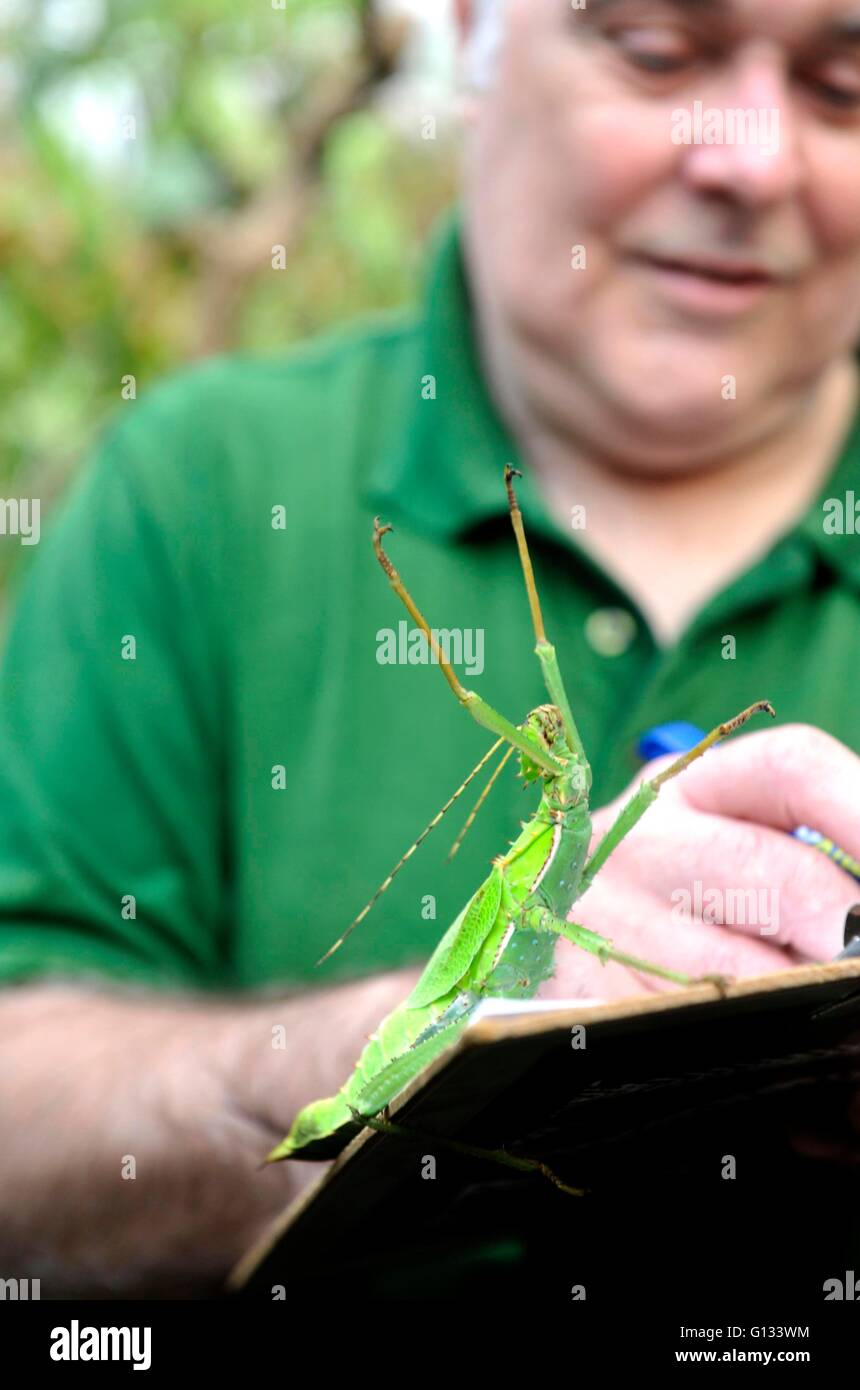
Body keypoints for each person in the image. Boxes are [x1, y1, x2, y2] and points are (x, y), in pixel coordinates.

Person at [2, 0, 860, 1297]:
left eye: (847, 82)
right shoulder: (195, 487)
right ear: (473, 31)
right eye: (655, 49)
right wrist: (433, 1047)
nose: (745, 154)